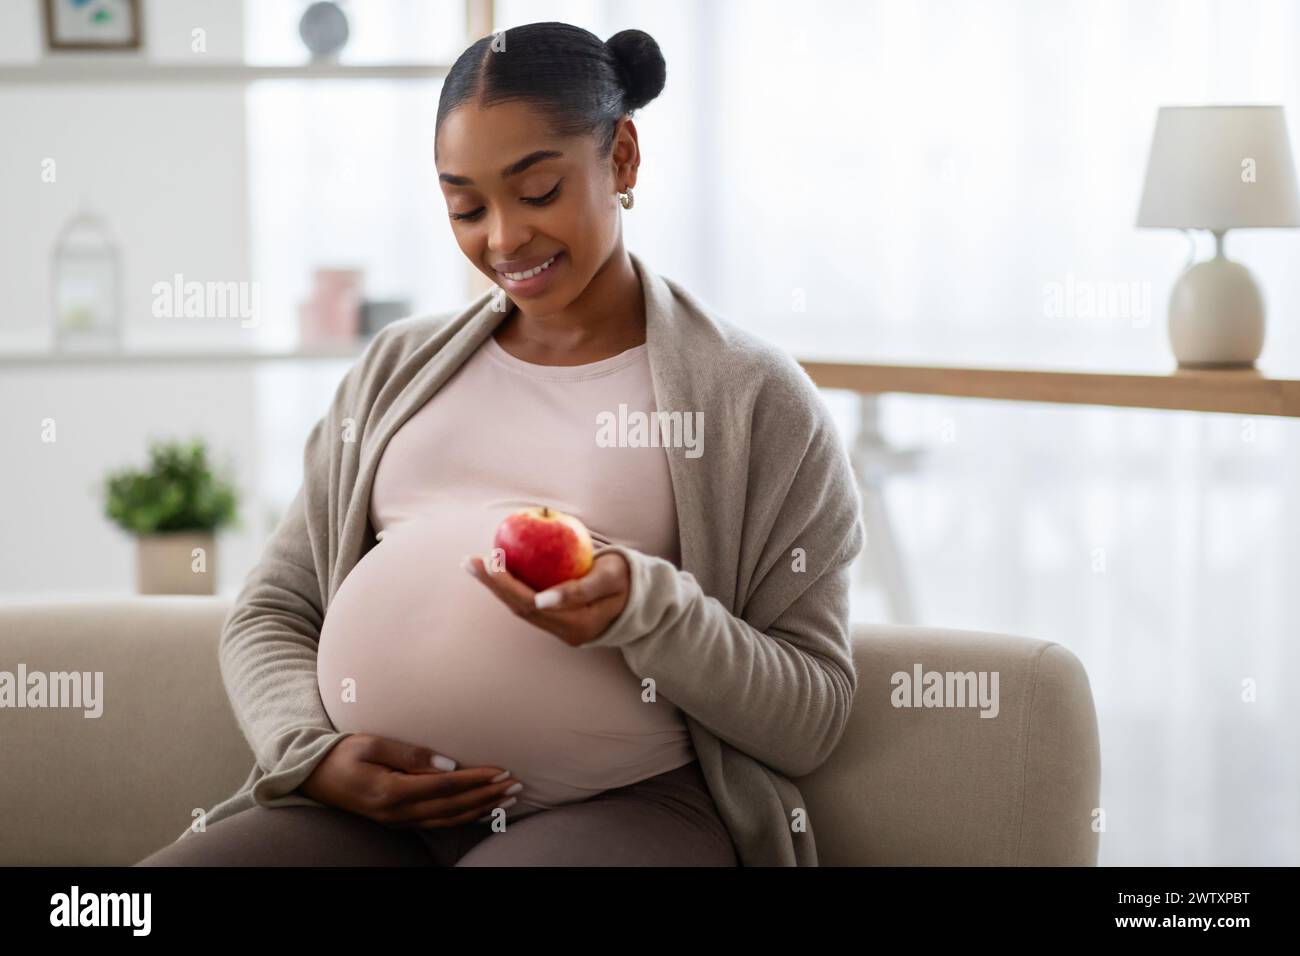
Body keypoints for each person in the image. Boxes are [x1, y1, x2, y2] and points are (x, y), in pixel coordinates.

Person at [136, 20, 863, 868]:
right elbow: (274, 608)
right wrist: (312, 752)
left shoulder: (751, 400)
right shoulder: (396, 369)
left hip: (629, 808)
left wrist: (645, 608)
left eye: (539, 191)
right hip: (369, 816)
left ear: (622, 158)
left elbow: (811, 712)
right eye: (467, 207)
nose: (504, 239)